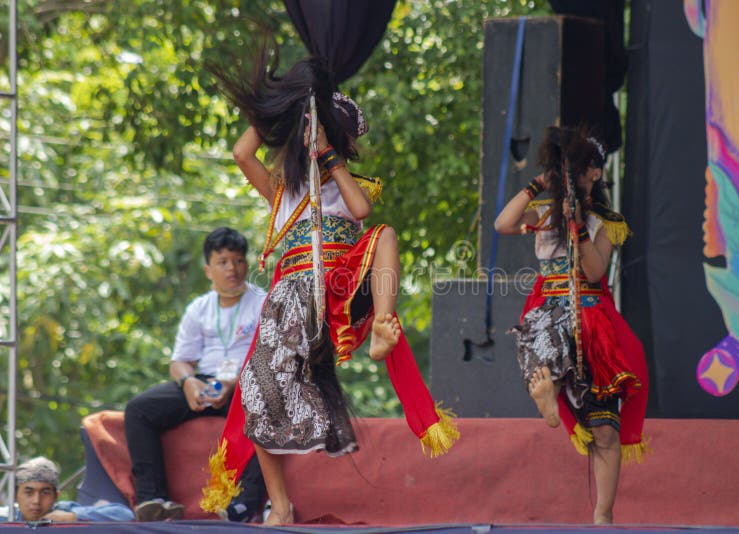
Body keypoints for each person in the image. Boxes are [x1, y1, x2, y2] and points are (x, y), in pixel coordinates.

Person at [199, 32, 458, 526]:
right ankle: (280, 506)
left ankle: (383, 325)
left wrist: (329, 157)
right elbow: (241, 153)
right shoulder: (282, 192)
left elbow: (361, 211)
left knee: (384, 234)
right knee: (256, 394)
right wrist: (286, 108)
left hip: (340, 290)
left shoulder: (346, 182)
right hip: (290, 300)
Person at [495, 126, 649, 525]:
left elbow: (595, 271)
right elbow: (503, 223)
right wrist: (538, 184)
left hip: (592, 321)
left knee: (605, 430)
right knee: (538, 335)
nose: (572, 175)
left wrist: (577, 225)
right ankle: (548, 392)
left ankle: (603, 514)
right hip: (551, 308)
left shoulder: (605, 222)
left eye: (579, 168)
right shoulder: (545, 214)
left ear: (595, 172)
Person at [123, 227, 267, 522]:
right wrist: (188, 382)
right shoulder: (199, 308)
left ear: (246, 264)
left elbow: (271, 357)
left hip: (248, 381)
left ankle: (245, 505)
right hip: (205, 381)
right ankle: (153, 500)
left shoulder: (263, 302)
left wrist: (233, 383)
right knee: (139, 409)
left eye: (238, 260)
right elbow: (179, 361)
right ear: (208, 270)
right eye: (222, 262)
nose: (232, 269)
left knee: (265, 406)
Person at [0, 456, 134, 523]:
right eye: (29, 492)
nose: (36, 501)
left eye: (45, 493)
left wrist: (73, 517)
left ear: (56, 496)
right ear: (15, 496)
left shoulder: (64, 512)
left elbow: (124, 515)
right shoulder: (5, 518)